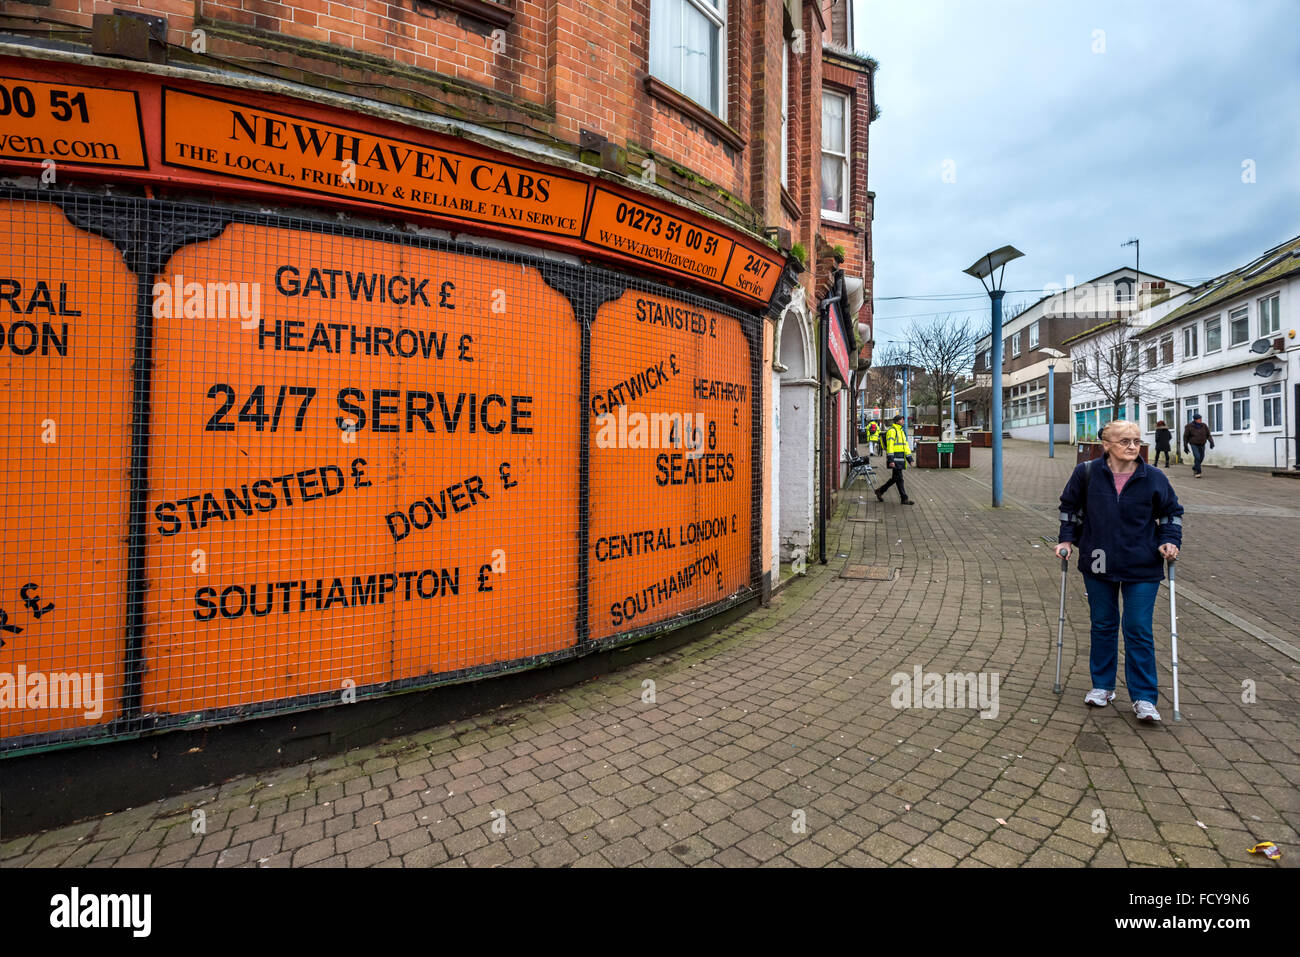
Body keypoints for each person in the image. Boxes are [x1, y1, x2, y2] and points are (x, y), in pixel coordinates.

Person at [1055, 420, 1183, 723]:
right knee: (1103, 624)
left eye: (1136, 441)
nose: (1132, 446)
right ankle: (1102, 686)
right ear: (1106, 445)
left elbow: (1171, 513)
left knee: (1138, 628)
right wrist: (1066, 539)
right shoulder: (1086, 473)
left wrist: (1169, 541)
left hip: (1142, 563)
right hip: (1098, 558)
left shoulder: (1153, 477)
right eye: (1125, 440)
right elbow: (1069, 508)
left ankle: (1144, 697)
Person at [875, 415, 914, 505]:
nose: (903, 421)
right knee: (899, 479)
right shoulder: (892, 431)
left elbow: (906, 447)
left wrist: (910, 459)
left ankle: (880, 491)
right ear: (897, 421)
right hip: (895, 459)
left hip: (900, 458)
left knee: (895, 478)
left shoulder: (901, 432)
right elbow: (890, 447)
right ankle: (904, 498)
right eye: (901, 419)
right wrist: (891, 460)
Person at [1182, 413, 1214, 478]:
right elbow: (1185, 437)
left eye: (1201, 419)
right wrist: (1185, 446)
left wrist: (1211, 442)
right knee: (1197, 457)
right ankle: (1198, 472)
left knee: (1201, 457)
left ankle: (1195, 467)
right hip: (1194, 444)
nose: (1200, 420)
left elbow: (1208, 435)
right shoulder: (1189, 426)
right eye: (1199, 419)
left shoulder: (1204, 426)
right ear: (1195, 419)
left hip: (1202, 444)